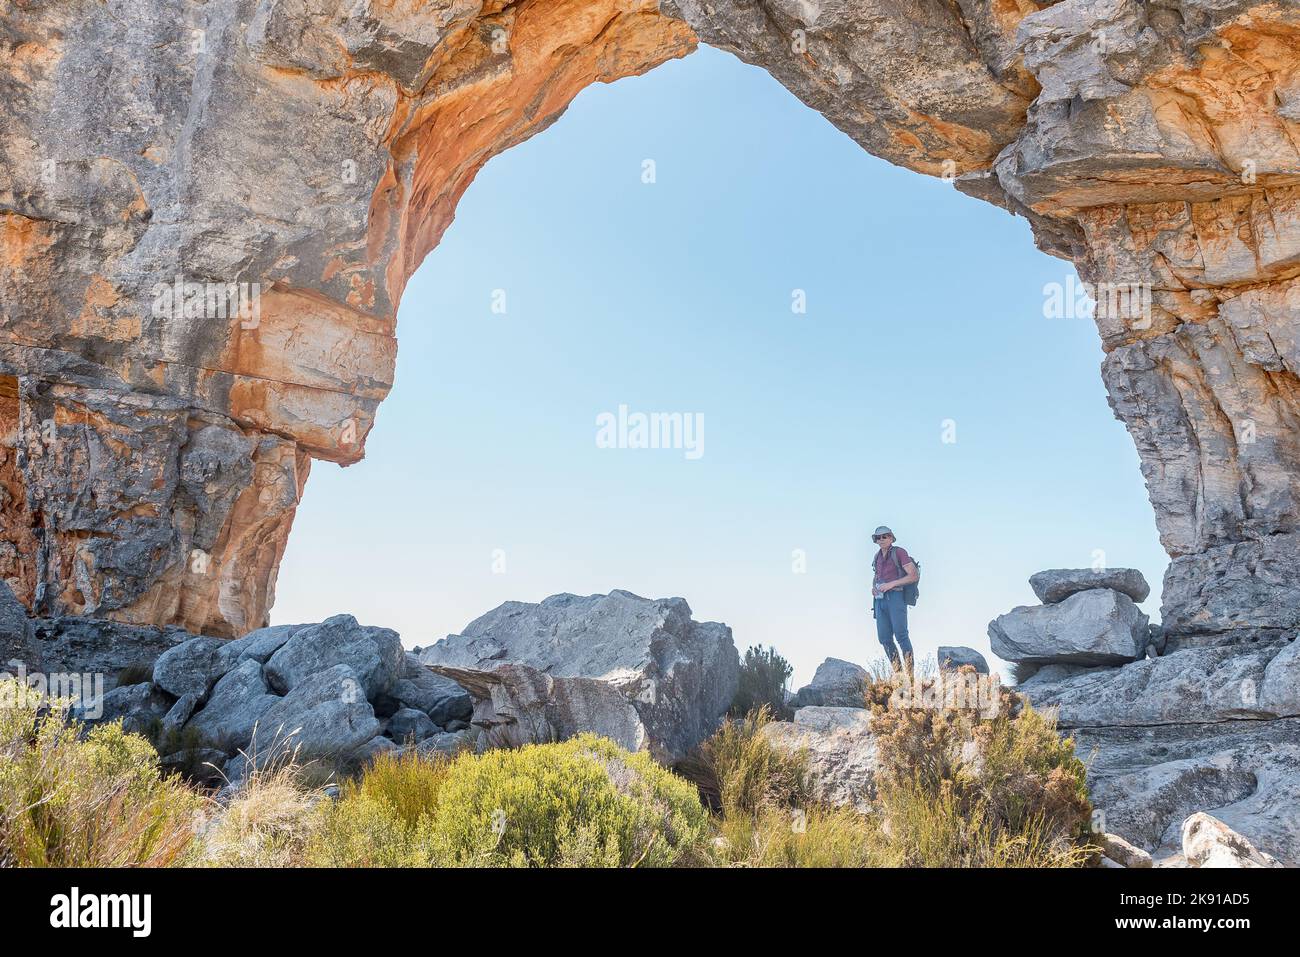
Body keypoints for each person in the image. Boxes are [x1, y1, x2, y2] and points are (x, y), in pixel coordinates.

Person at [871, 525, 917, 671]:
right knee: (884, 639)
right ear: (876, 540)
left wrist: (891, 584)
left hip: (896, 597)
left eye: (885, 536)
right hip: (880, 600)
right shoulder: (877, 556)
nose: (882, 539)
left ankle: (910, 677)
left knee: (901, 636)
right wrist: (874, 587)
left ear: (891, 537)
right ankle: (898, 674)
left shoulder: (900, 552)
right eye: (878, 537)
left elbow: (913, 575)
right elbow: (876, 575)